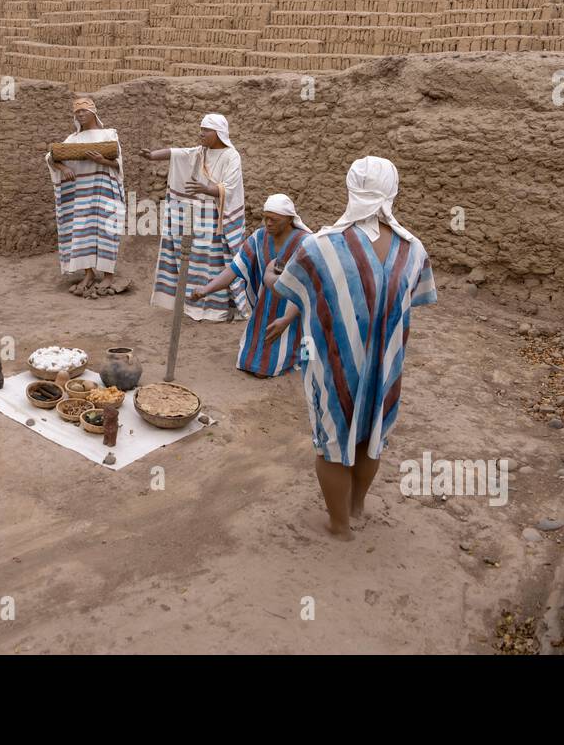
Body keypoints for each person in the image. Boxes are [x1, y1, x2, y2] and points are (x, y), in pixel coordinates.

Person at [265, 157, 436, 540]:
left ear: (350, 189)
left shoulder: (318, 247)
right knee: (371, 435)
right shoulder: (414, 250)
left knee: (333, 443)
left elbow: (289, 287)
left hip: (333, 365)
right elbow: (413, 298)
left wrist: (271, 272)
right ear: (392, 191)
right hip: (385, 366)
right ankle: (356, 507)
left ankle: (339, 524)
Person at [140, 113, 248, 321]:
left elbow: (230, 187)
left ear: (218, 133)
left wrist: (207, 189)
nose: (201, 134)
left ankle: (216, 310)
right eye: (201, 129)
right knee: (192, 259)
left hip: (217, 220)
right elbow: (177, 153)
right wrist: (152, 156)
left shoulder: (231, 156)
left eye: (206, 130)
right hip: (197, 217)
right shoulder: (200, 153)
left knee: (214, 262)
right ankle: (190, 304)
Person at [191, 193, 310, 377]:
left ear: (288, 220)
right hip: (265, 309)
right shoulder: (260, 237)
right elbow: (234, 268)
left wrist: (286, 319)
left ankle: (295, 352)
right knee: (247, 363)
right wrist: (206, 290)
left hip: (295, 311)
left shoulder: (305, 243)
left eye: (274, 220)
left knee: (265, 369)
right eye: (266, 218)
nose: (268, 223)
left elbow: (307, 288)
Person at [46, 97, 126, 296]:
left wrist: (102, 161)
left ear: (94, 113)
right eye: (77, 112)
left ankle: (108, 275)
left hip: (103, 191)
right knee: (83, 232)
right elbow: (51, 157)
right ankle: (89, 273)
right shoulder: (73, 140)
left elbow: (119, 165)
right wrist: (63, 168)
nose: (80, 114)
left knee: (106, 230)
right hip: (81, 194)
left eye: (84, 111)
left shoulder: (109, 134)